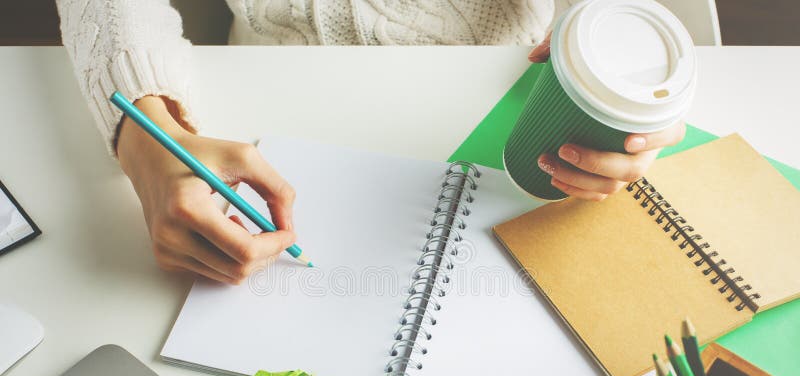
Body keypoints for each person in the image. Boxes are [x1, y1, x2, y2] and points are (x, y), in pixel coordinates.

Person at [56, 0, 685, 284]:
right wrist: (147, 134)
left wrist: (626, 85)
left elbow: (631, 21)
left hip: (500, 93)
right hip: (262, 103)